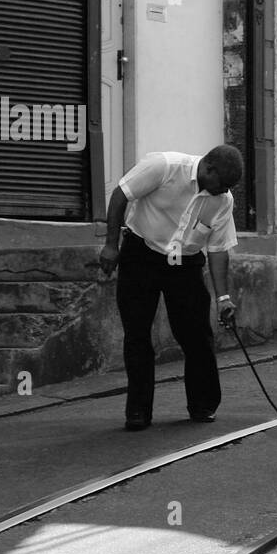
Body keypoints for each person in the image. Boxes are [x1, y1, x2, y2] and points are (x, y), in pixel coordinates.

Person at [99, 147, 242, 431]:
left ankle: (202, 405)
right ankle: (138, 411)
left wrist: (223, 298)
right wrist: (111, 245)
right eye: (222, 184)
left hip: (185, 265)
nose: (224, 191)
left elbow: (217, 250)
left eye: (228, 188)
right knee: (137, 333)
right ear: (208, 168)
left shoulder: (223, 200)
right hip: (141, 254)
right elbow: (120, 195)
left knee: (197, 335)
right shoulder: (163, 167)